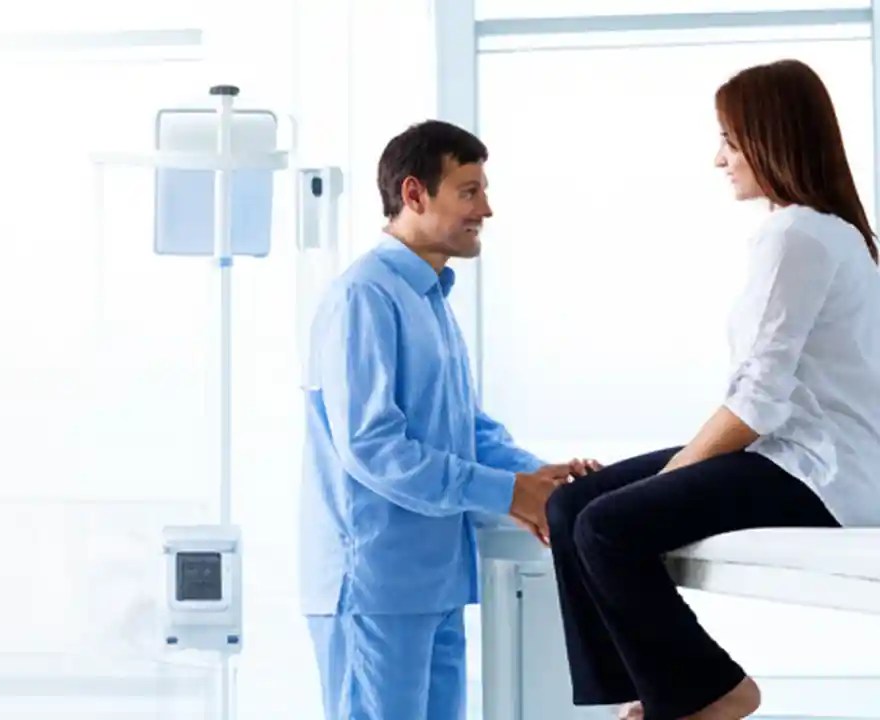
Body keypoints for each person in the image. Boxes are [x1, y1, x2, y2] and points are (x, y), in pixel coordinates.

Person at [546, 58, 880, 720]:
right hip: (799, 452)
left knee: (605, 525)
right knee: (571, 506)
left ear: (768, 137)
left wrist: (676, 470)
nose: (717, 158)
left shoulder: (798, 234)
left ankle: (713, 694)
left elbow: (759, 398)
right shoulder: (829, 231)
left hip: (818, 469)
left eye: (728, 140)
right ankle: (655, 688)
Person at [299, 119, 600, 720]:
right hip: (376, 587)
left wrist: (535, 477)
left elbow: (464, 428)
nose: (485, 208)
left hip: (433, 582)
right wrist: (511, 492)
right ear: (414, 194)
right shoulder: (365, 296)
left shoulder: (428, 298)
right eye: (469, 190)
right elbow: (373, 446)